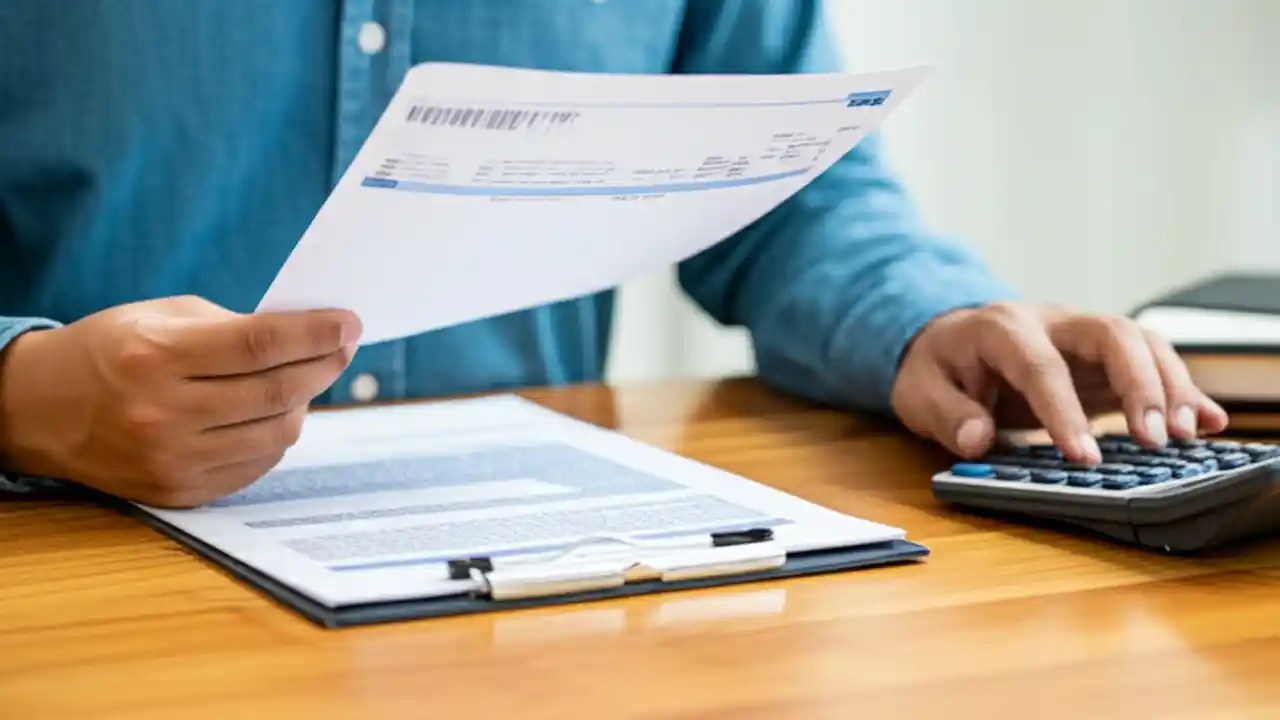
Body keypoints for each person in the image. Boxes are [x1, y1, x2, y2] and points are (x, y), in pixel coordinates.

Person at [0, 0, 1226, 508]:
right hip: (73, 564)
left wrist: (923, 320)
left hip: (518, 572)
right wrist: (21, 393)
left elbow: (782, 190)